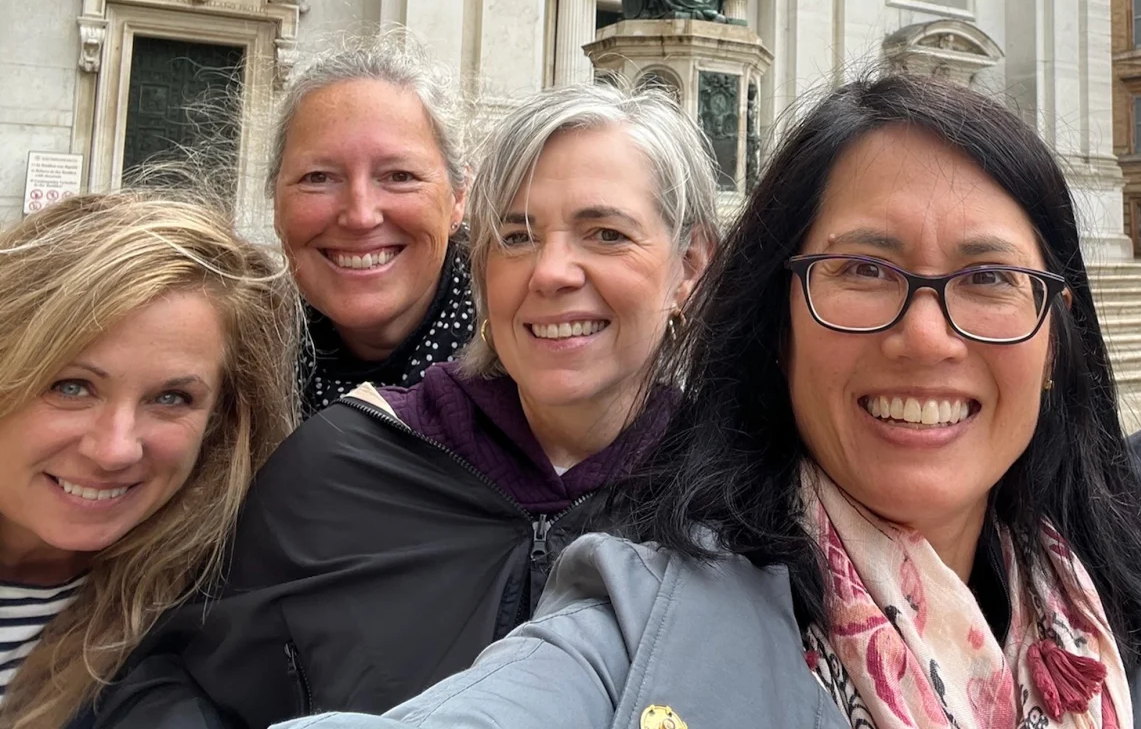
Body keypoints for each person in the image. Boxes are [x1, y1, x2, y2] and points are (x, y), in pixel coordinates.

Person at [273, 75, 1141, 729]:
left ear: (1058, 335)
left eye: (990, 277)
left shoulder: (1128, 598)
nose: (927, 338)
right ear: (778, 325)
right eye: (862, 269)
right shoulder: (638, 609)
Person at [95, 82, 717, 728]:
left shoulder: (736, 500)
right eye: (517, 236)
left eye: (607, 234)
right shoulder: (337, 461)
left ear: (690, 265)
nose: (552, 272)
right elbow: (178, 684)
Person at [0, 191, 297, 729]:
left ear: (220, 423)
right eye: (71, 387)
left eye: (171, 398)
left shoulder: (214, 635)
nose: (116, 449)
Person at [268, 36, 474, 415]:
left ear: (457, 198)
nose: (360, 216)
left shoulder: (535, 366)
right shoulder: (234, 367)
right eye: (318, 178)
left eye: (399, 176)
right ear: (275, 202)